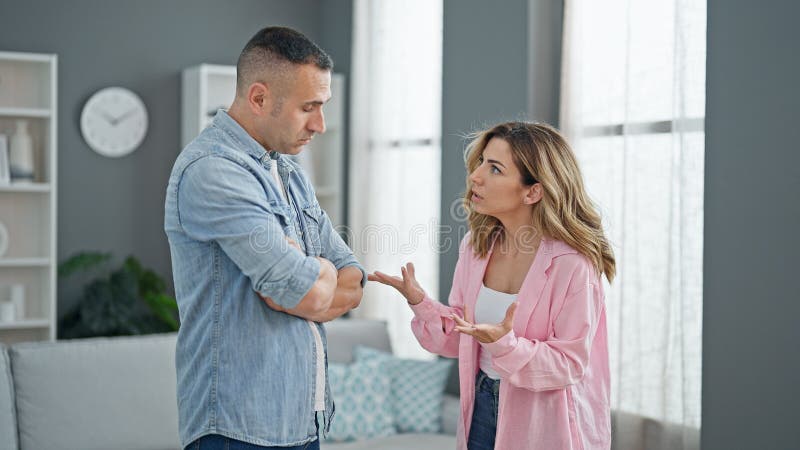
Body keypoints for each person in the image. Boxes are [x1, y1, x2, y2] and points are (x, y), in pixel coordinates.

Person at [164, 27, 365, 450]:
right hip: (238, 427)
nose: (321, 125)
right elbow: (308, 292)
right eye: (308, 107)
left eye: (323, 106)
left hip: (303, 421)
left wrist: (315, 276)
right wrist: (316, 277)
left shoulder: (291, 174)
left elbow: (352, 280)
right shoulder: (212, 171)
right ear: (259, 98)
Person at [369, 121, 615, 450]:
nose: (476, 175)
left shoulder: (572, 264)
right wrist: (422, 303)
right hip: (482, 404)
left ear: (533, 191)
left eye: (495, 168)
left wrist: (506, 345)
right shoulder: (476, 246)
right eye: (482, 161)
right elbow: (462, 340)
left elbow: (570, 364)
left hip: (545, 420)